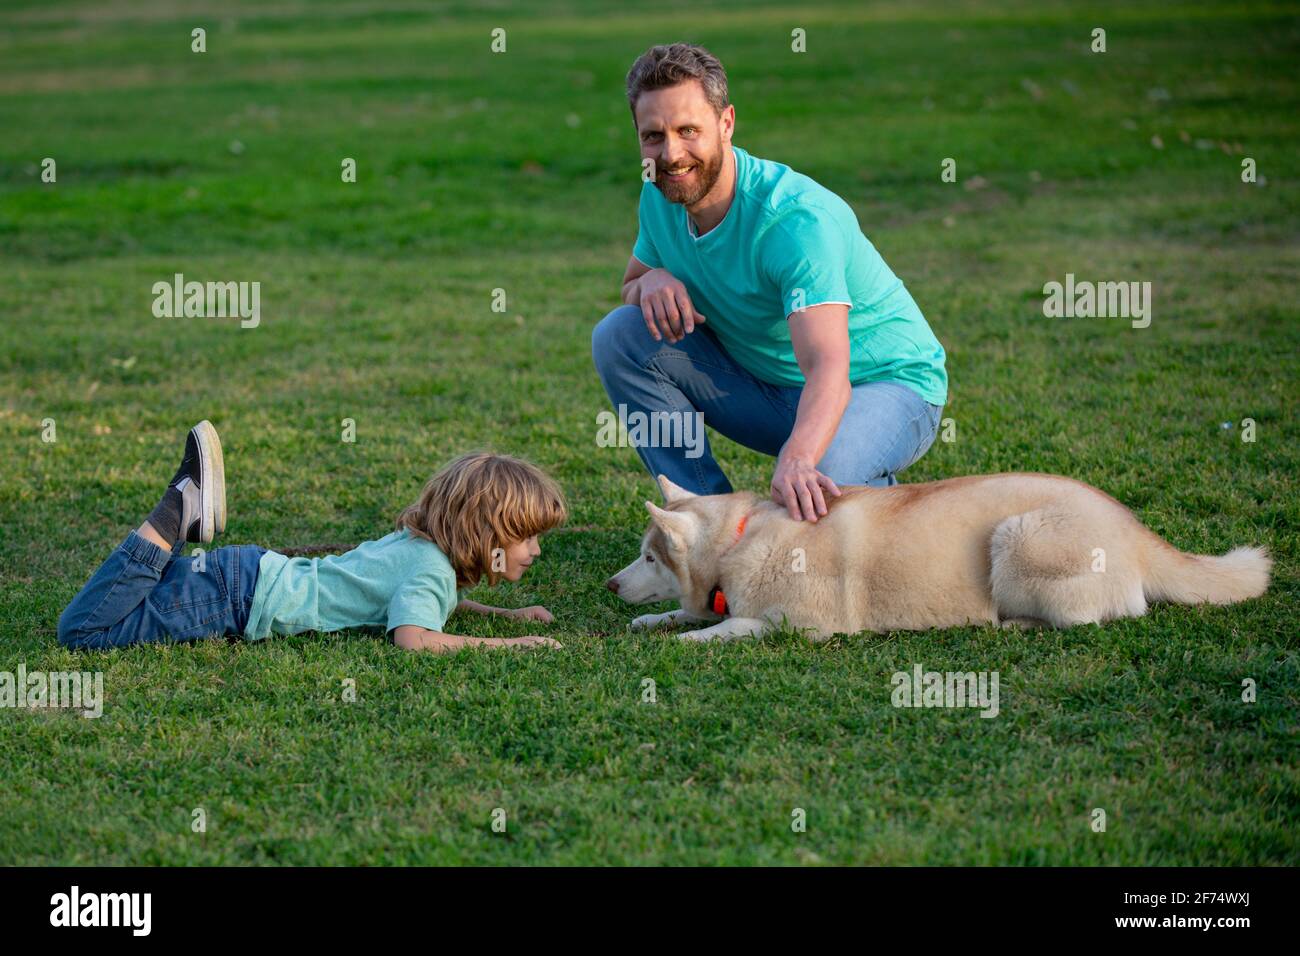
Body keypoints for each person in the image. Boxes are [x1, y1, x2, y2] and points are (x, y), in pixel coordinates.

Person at [56, 421, 565, 653]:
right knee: (82, 631)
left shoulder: (423, 551)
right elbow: (413, 638)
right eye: (526, 538)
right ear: (486, 532)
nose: (536, 551)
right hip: (238, 601)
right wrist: (513, 642)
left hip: (247, 576)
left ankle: (182, 516)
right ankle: (179, 507)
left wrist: (505, 614)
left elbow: (430, 605)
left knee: (120, 603)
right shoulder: (430, 569)